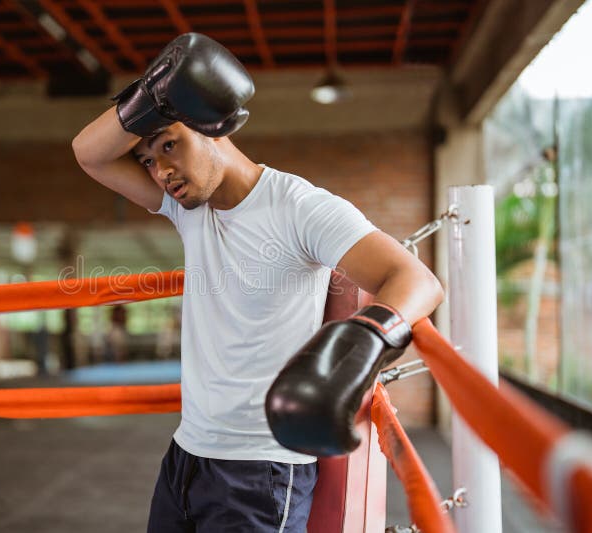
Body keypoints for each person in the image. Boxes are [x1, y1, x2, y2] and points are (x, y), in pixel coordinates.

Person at [72, 33, 443, 533]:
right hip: (187, 454)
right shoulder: (190, 212)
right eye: (147, 161)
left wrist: (361, 341)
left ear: (211, 129)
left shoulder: (299, 207)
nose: (161, 171)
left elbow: (417, 280)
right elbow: (88, 153)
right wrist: (156, 95)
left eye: (169, 146)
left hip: (262, 471)